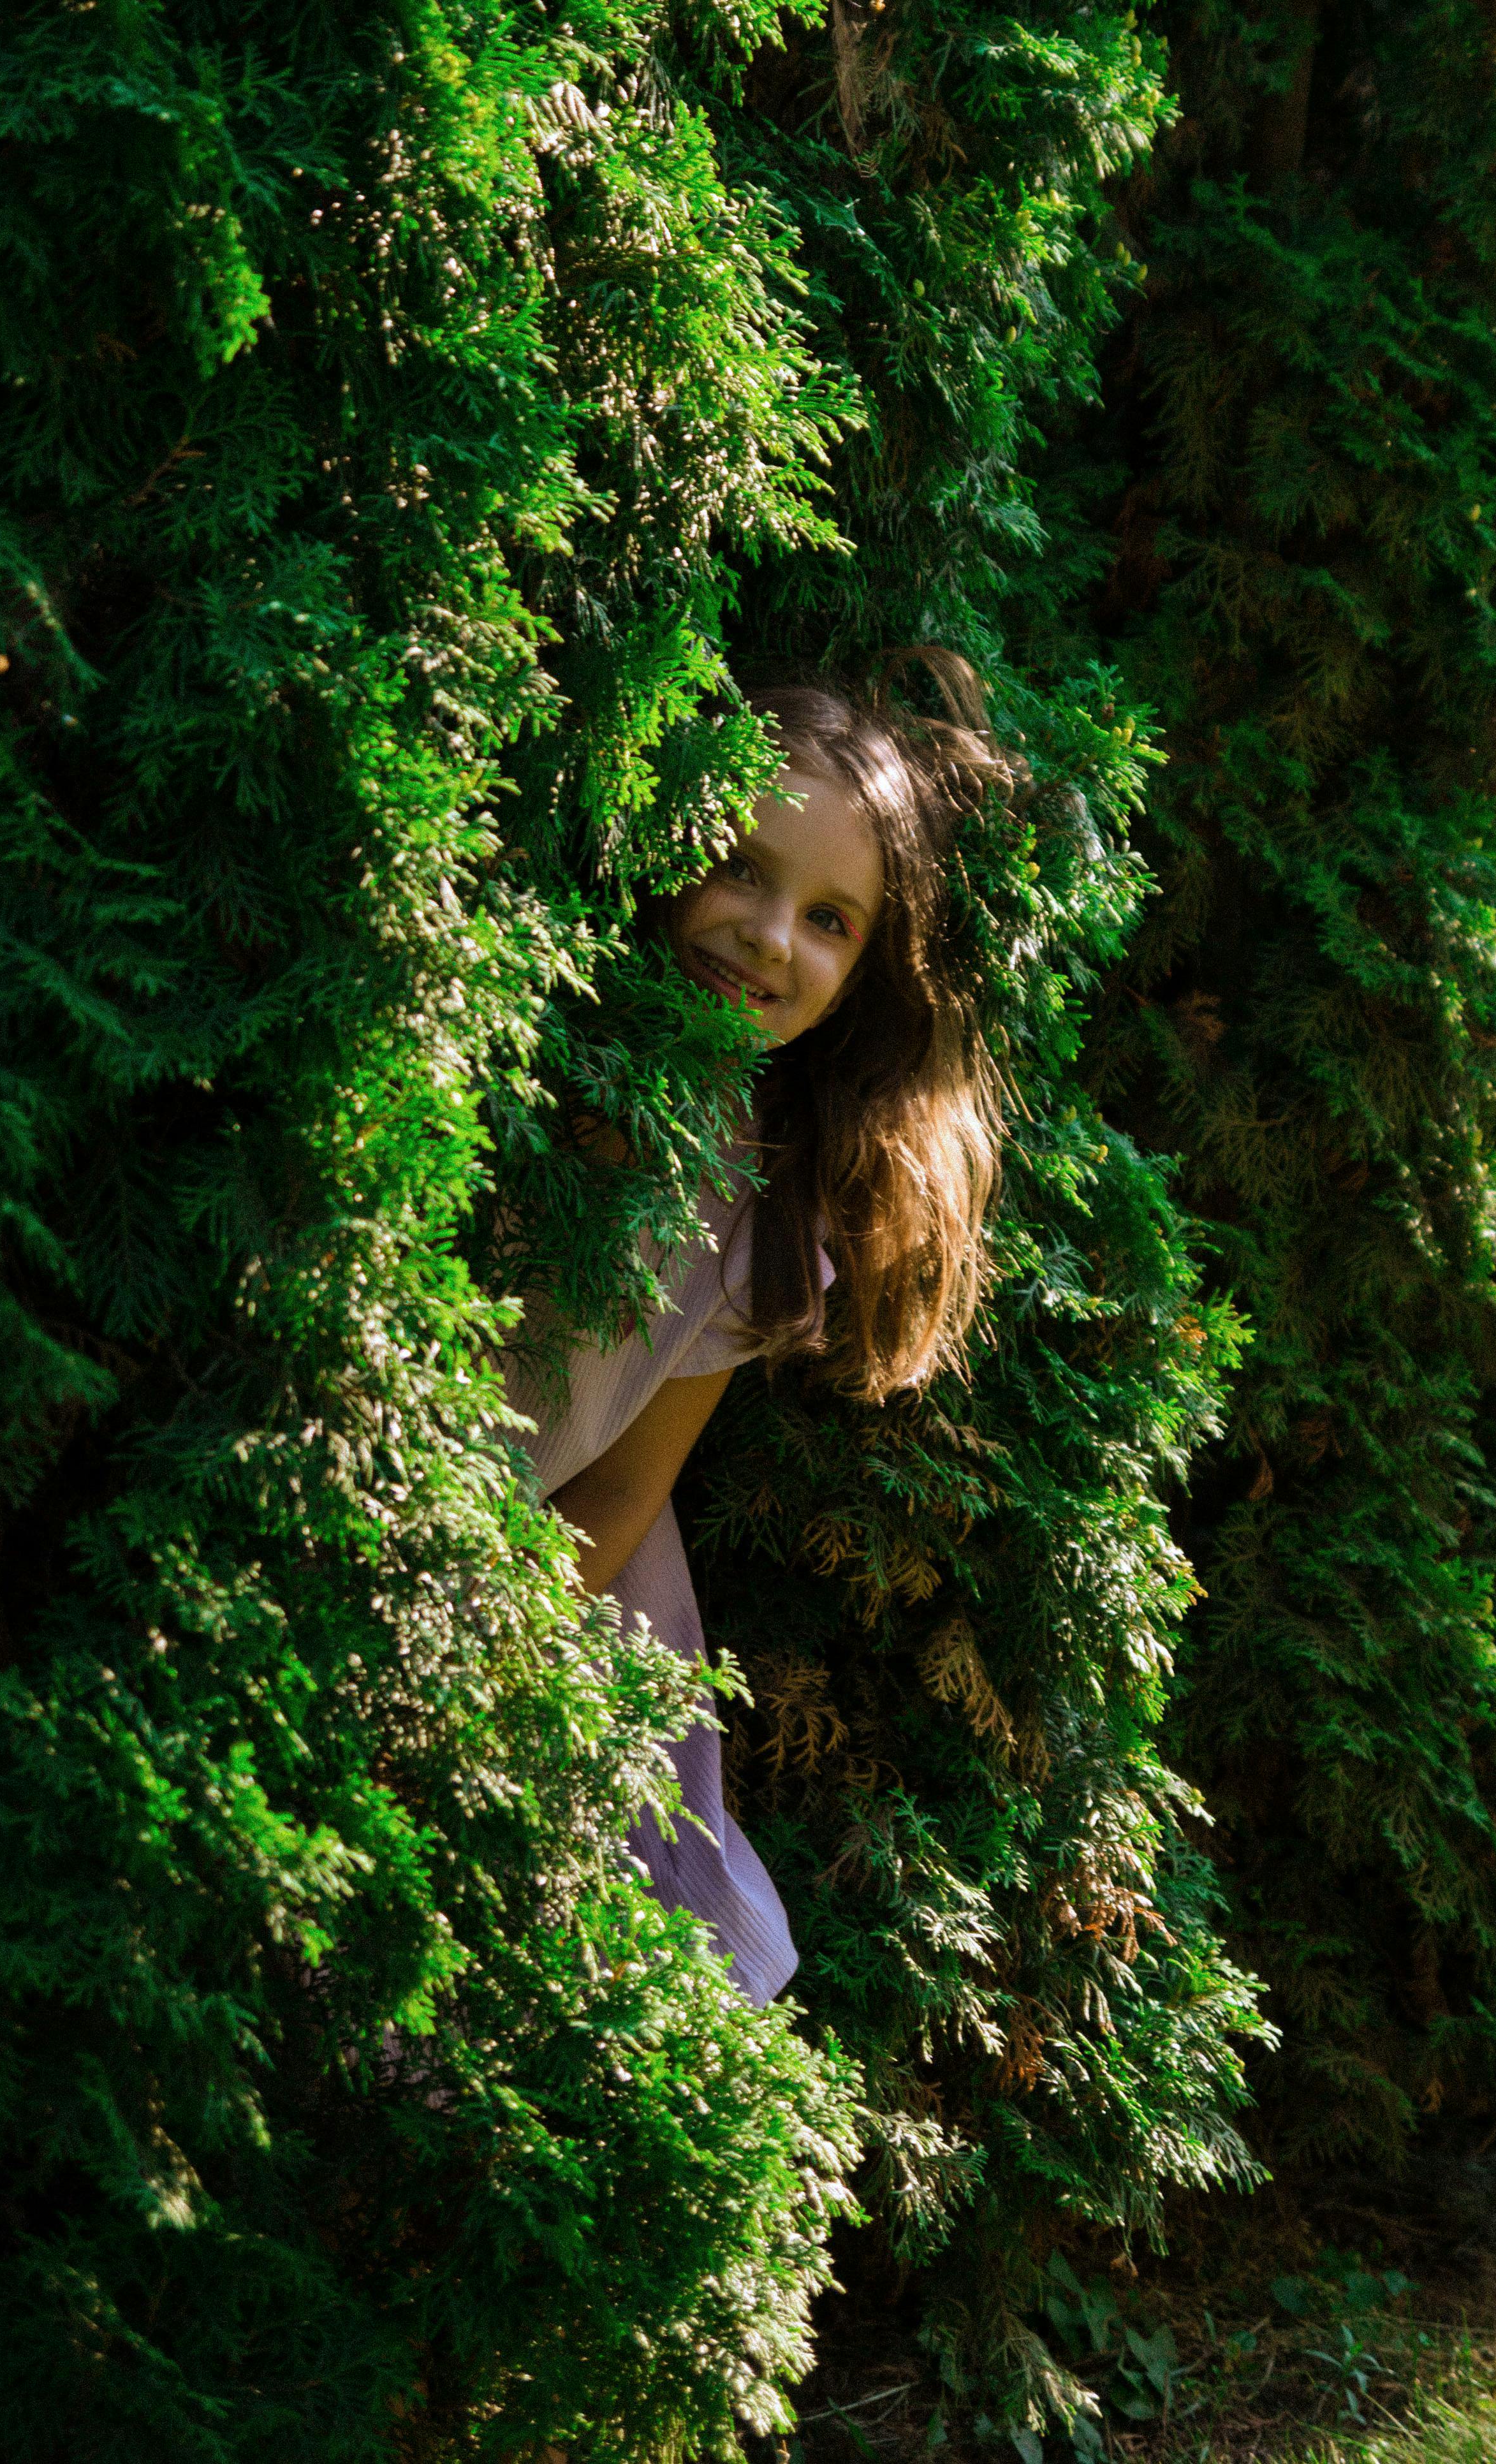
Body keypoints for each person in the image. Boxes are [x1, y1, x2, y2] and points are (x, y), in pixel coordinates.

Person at [505, 654, 1010, 2004]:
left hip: (542, 1593)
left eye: (831, 920)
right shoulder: (519, 1036)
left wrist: (482, 1656)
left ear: (865, 973)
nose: (771, 936)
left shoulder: (759, 1213)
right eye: (741, 867)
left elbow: (619, 1484)